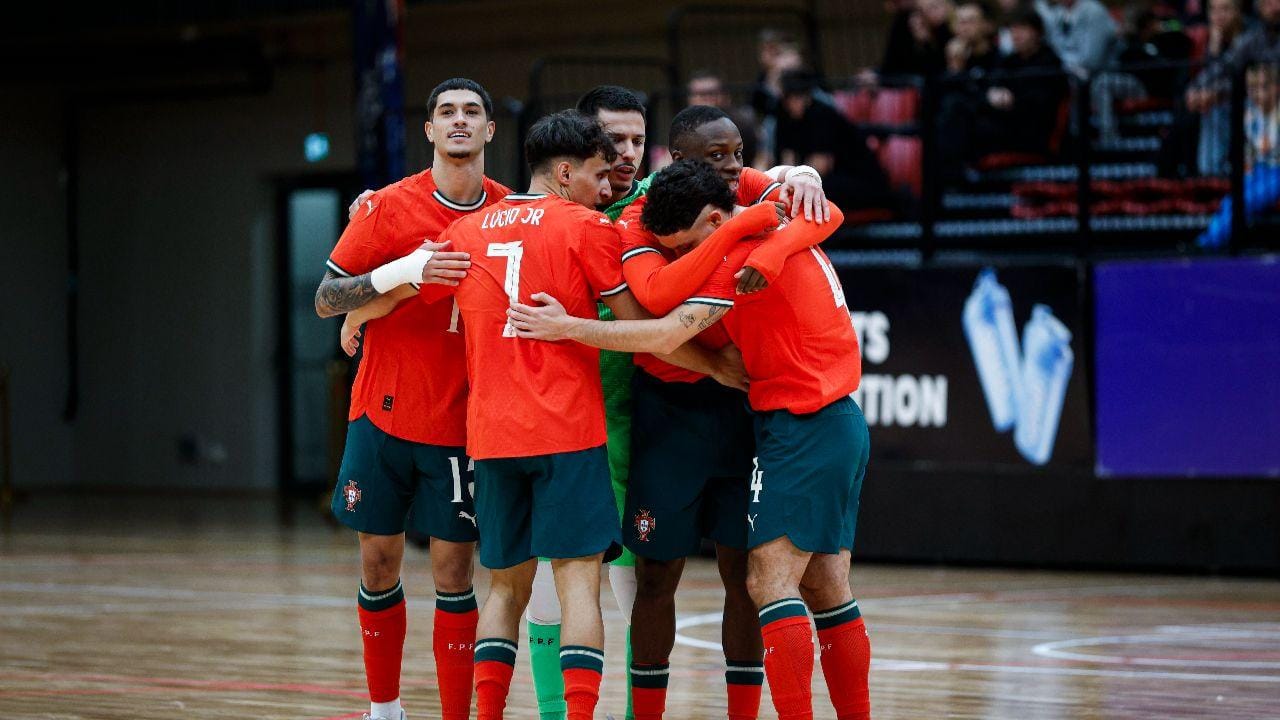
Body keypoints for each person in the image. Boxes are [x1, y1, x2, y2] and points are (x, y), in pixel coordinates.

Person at [506, 159, 872, 720]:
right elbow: (805, 206)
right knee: (824, 586)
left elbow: (661, 323)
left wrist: (570, 328)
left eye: (685, 244)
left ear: (717, 217)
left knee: (767, 582)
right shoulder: (774, 223)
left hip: (804, 424)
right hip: (828, 419)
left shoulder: (739, 257)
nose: (682, 257)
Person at [613, 109, 838, 720]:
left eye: (738, 151)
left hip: (744, 407)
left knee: (746, 575)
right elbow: (655, 303)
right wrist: (740, 232)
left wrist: (800, 181)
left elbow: (821, 212)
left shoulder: (743, 188)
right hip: (670, 408)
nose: (733, 166)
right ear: (678, 161)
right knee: (656, 576)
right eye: (716, 157)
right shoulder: (643, 216)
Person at [314, 77, 510, 720]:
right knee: (377, 561)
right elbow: (326, 298)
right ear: (429, 131)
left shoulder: (512, 212)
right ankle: (385, 711)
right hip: (382, 413)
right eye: (446, 112)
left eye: (472, 113)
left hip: (463, 421)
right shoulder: (387, 209)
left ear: (488, 131)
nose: (459, 121)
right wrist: (400, 276)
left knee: (456, 574)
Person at [937, 9, 1068, 180]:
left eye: (1022, 29)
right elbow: (988, 92)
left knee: (960, 118)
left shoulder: (1049, 63)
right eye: (1012, 29)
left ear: (1038, 32)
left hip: (1028, 131)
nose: (1016, 34)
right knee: (954, 106)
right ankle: (947, 180)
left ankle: (950, 181)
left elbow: (1039, 106)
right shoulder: (1009, 61)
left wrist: (1009, 101)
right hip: (1002, 122)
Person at [775, 71, 900, 213]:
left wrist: (793, 182)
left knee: (816, 189)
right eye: (788, 98)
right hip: (834, 179)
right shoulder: (786, 118)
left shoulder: (822, 115)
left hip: (860, 180)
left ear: (807, 96)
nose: (789, 103)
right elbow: (787, 160)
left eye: (795, 97)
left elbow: (820, 166)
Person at [1197, 63, 1280, 247]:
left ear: (1276, 87)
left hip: (1278, 173)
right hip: (1261, 169)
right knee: (1230, 201)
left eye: (1263, 87)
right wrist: (1248, 162)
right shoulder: (1249, 114)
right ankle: (1209, 240)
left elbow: (1267, 146)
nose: (1257, 93)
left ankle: (1215, 242)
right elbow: (1251, 149)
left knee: (1248, 200)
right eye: (1252, 88)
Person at [686, 70, 762, 169]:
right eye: (700, 94)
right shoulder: (684, 128)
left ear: (725, 96)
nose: (706, 99)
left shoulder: (742, 124)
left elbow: (759, 159)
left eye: (711, 93)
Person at [1035, 0, 1118, 78]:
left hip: (1102, 77)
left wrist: (1062, 62)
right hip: (1069, 74)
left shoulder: (1094, 12)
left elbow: (1091, 60)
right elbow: (1053, 48)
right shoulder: (1057, 13)